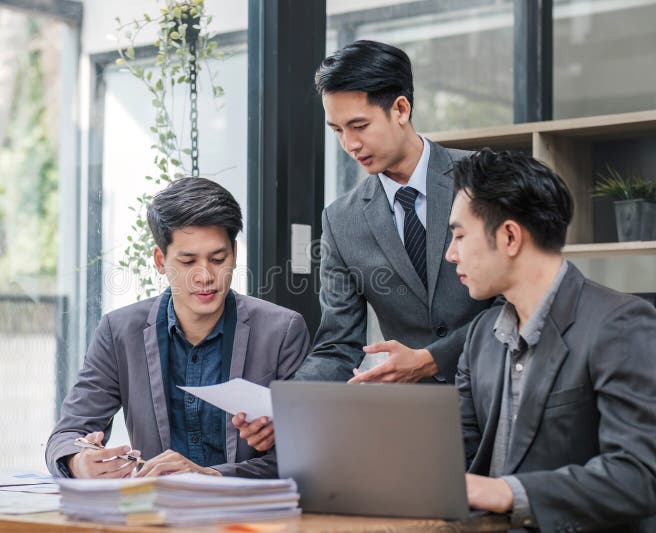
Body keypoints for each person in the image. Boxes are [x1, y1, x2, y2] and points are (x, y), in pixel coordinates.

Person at [235, 40, 491, 451]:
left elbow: (516, 303)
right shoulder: (342, 220)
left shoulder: (483, 176)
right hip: (417, 424)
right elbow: (338, 344)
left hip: (501, 400)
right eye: (337, 131)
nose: (349, 145)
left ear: (401, 110)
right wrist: (284, 404)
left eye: (359, 126)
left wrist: (431, 358)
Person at [447, 149, 656, 531]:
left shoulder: (621, 324)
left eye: (459, 235)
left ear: (510, 236)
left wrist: (508, 493)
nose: (450, 254)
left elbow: (637, 476)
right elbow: (454, 459)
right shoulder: (481, 336)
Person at [46, 177, 309, 479]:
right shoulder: (119, 331)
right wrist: (79, 462)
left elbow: (302, 454)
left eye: (218, 258)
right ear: (161, 260)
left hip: (251, 517)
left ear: (234, 255)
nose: (205, 276)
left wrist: (210, 476)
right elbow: (68, 432)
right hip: (158, 516)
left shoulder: (282, 331)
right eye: (187, 261)